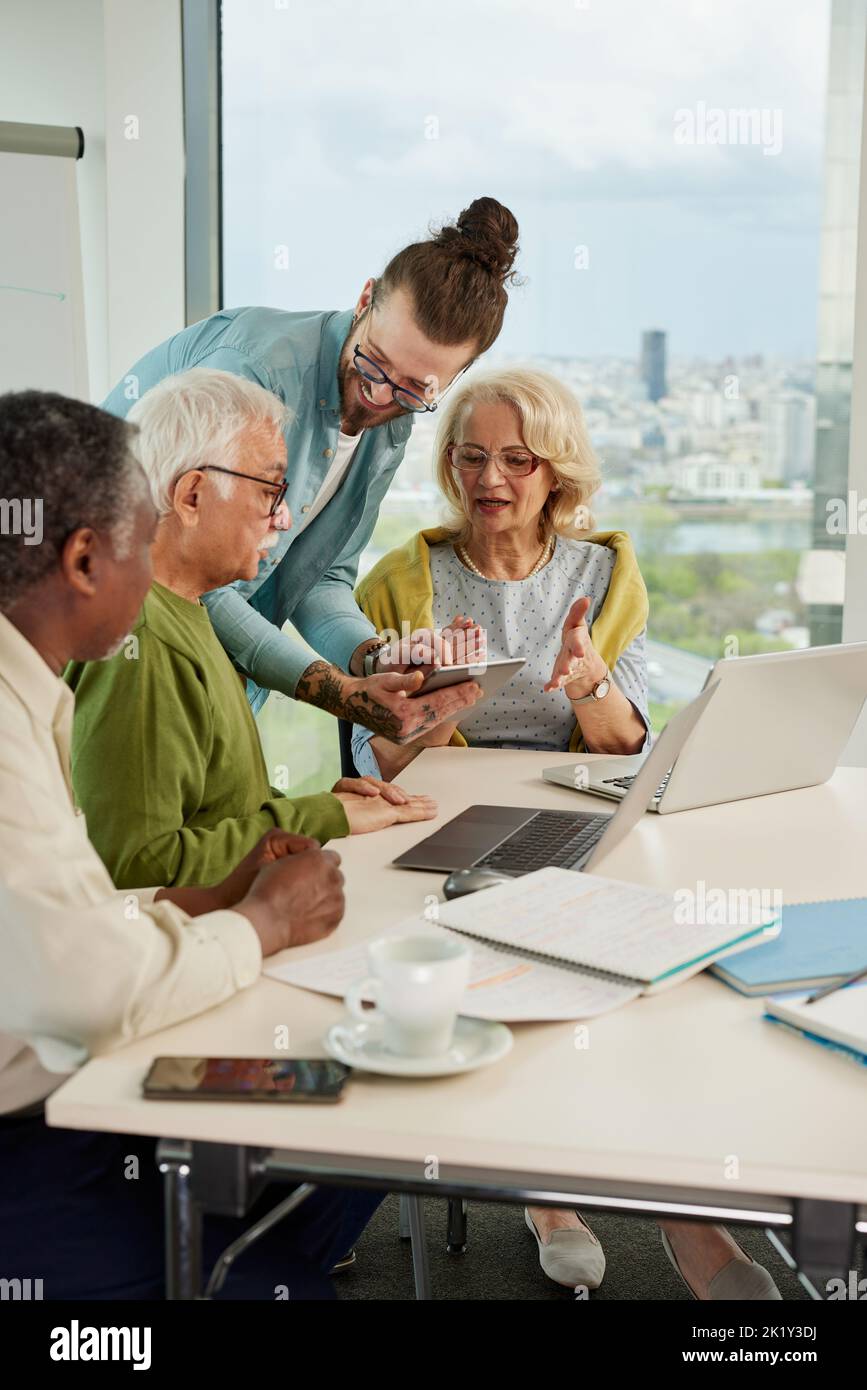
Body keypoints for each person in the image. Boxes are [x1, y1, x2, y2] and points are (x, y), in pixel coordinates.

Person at [350, 367, 782, 1301]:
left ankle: (691, 1225)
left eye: (515, 459)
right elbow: (374, 761)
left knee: (664, 970)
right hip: (446, 828)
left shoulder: (600, 575)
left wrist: (587, 681)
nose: (489, 479)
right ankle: (552, 1197)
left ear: (556, 474)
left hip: (581, 816)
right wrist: (423, 708)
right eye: (470, 456)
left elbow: (632, 749)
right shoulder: (401, 580)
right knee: (537, 947)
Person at [0, 389, 380, 1299]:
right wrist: (259, 927)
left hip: (48, 1071)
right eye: (140, 542)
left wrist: (199, 904)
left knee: (335, 1163)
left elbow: (56, 917)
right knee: (293, 1246)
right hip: (32, 1130)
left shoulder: (30, 686)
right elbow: (85, 984)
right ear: (88, 558)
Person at [101, 197, 521, 740]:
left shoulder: (393, 419)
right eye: (376, 362)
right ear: (365, 299)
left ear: (460, 373)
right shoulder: (253, 375)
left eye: (416, 388)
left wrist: (376, 659)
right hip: (119, 638)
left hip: (204, 666)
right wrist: (332, 688)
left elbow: (321, 573)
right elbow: (193, 574)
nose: (377, 395)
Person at [65, 369, 441, 891]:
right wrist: (316, 818)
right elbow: (135, 865)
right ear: (192, 496)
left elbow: (214, 811)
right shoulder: (142, 640)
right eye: (270, 490)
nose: (283, 518)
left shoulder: (180, 608)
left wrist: (323, 811)